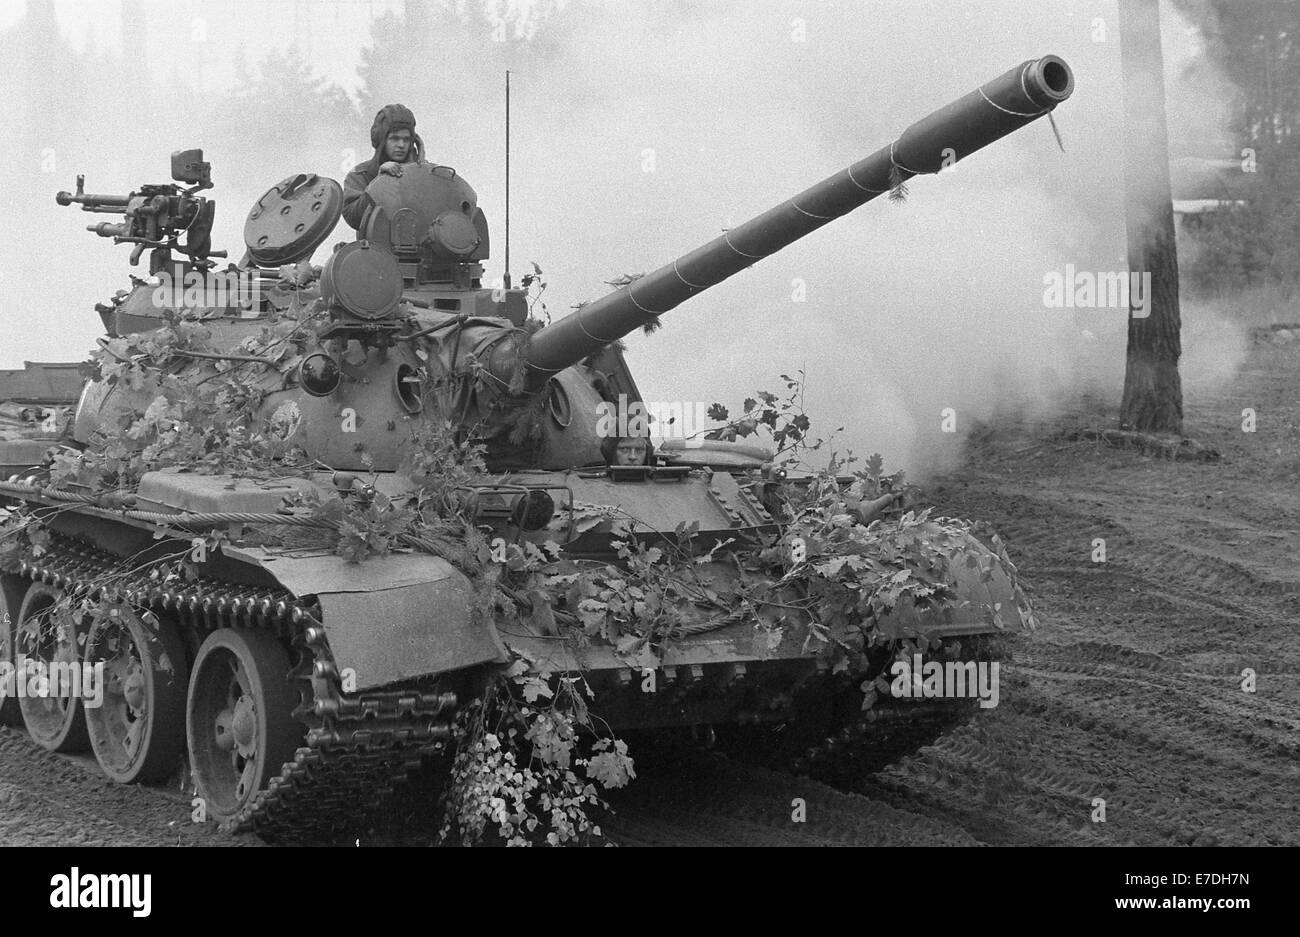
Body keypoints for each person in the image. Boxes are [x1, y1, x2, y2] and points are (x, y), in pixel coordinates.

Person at [342, 104, 426, 231]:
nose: (401, 145)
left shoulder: (426, 174)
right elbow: (354, 218)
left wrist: (420, 167)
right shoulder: (360, 175)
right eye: (394, 138)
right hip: (376, 247)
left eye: (407, 139)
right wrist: (379, 182)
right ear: (382, 140)